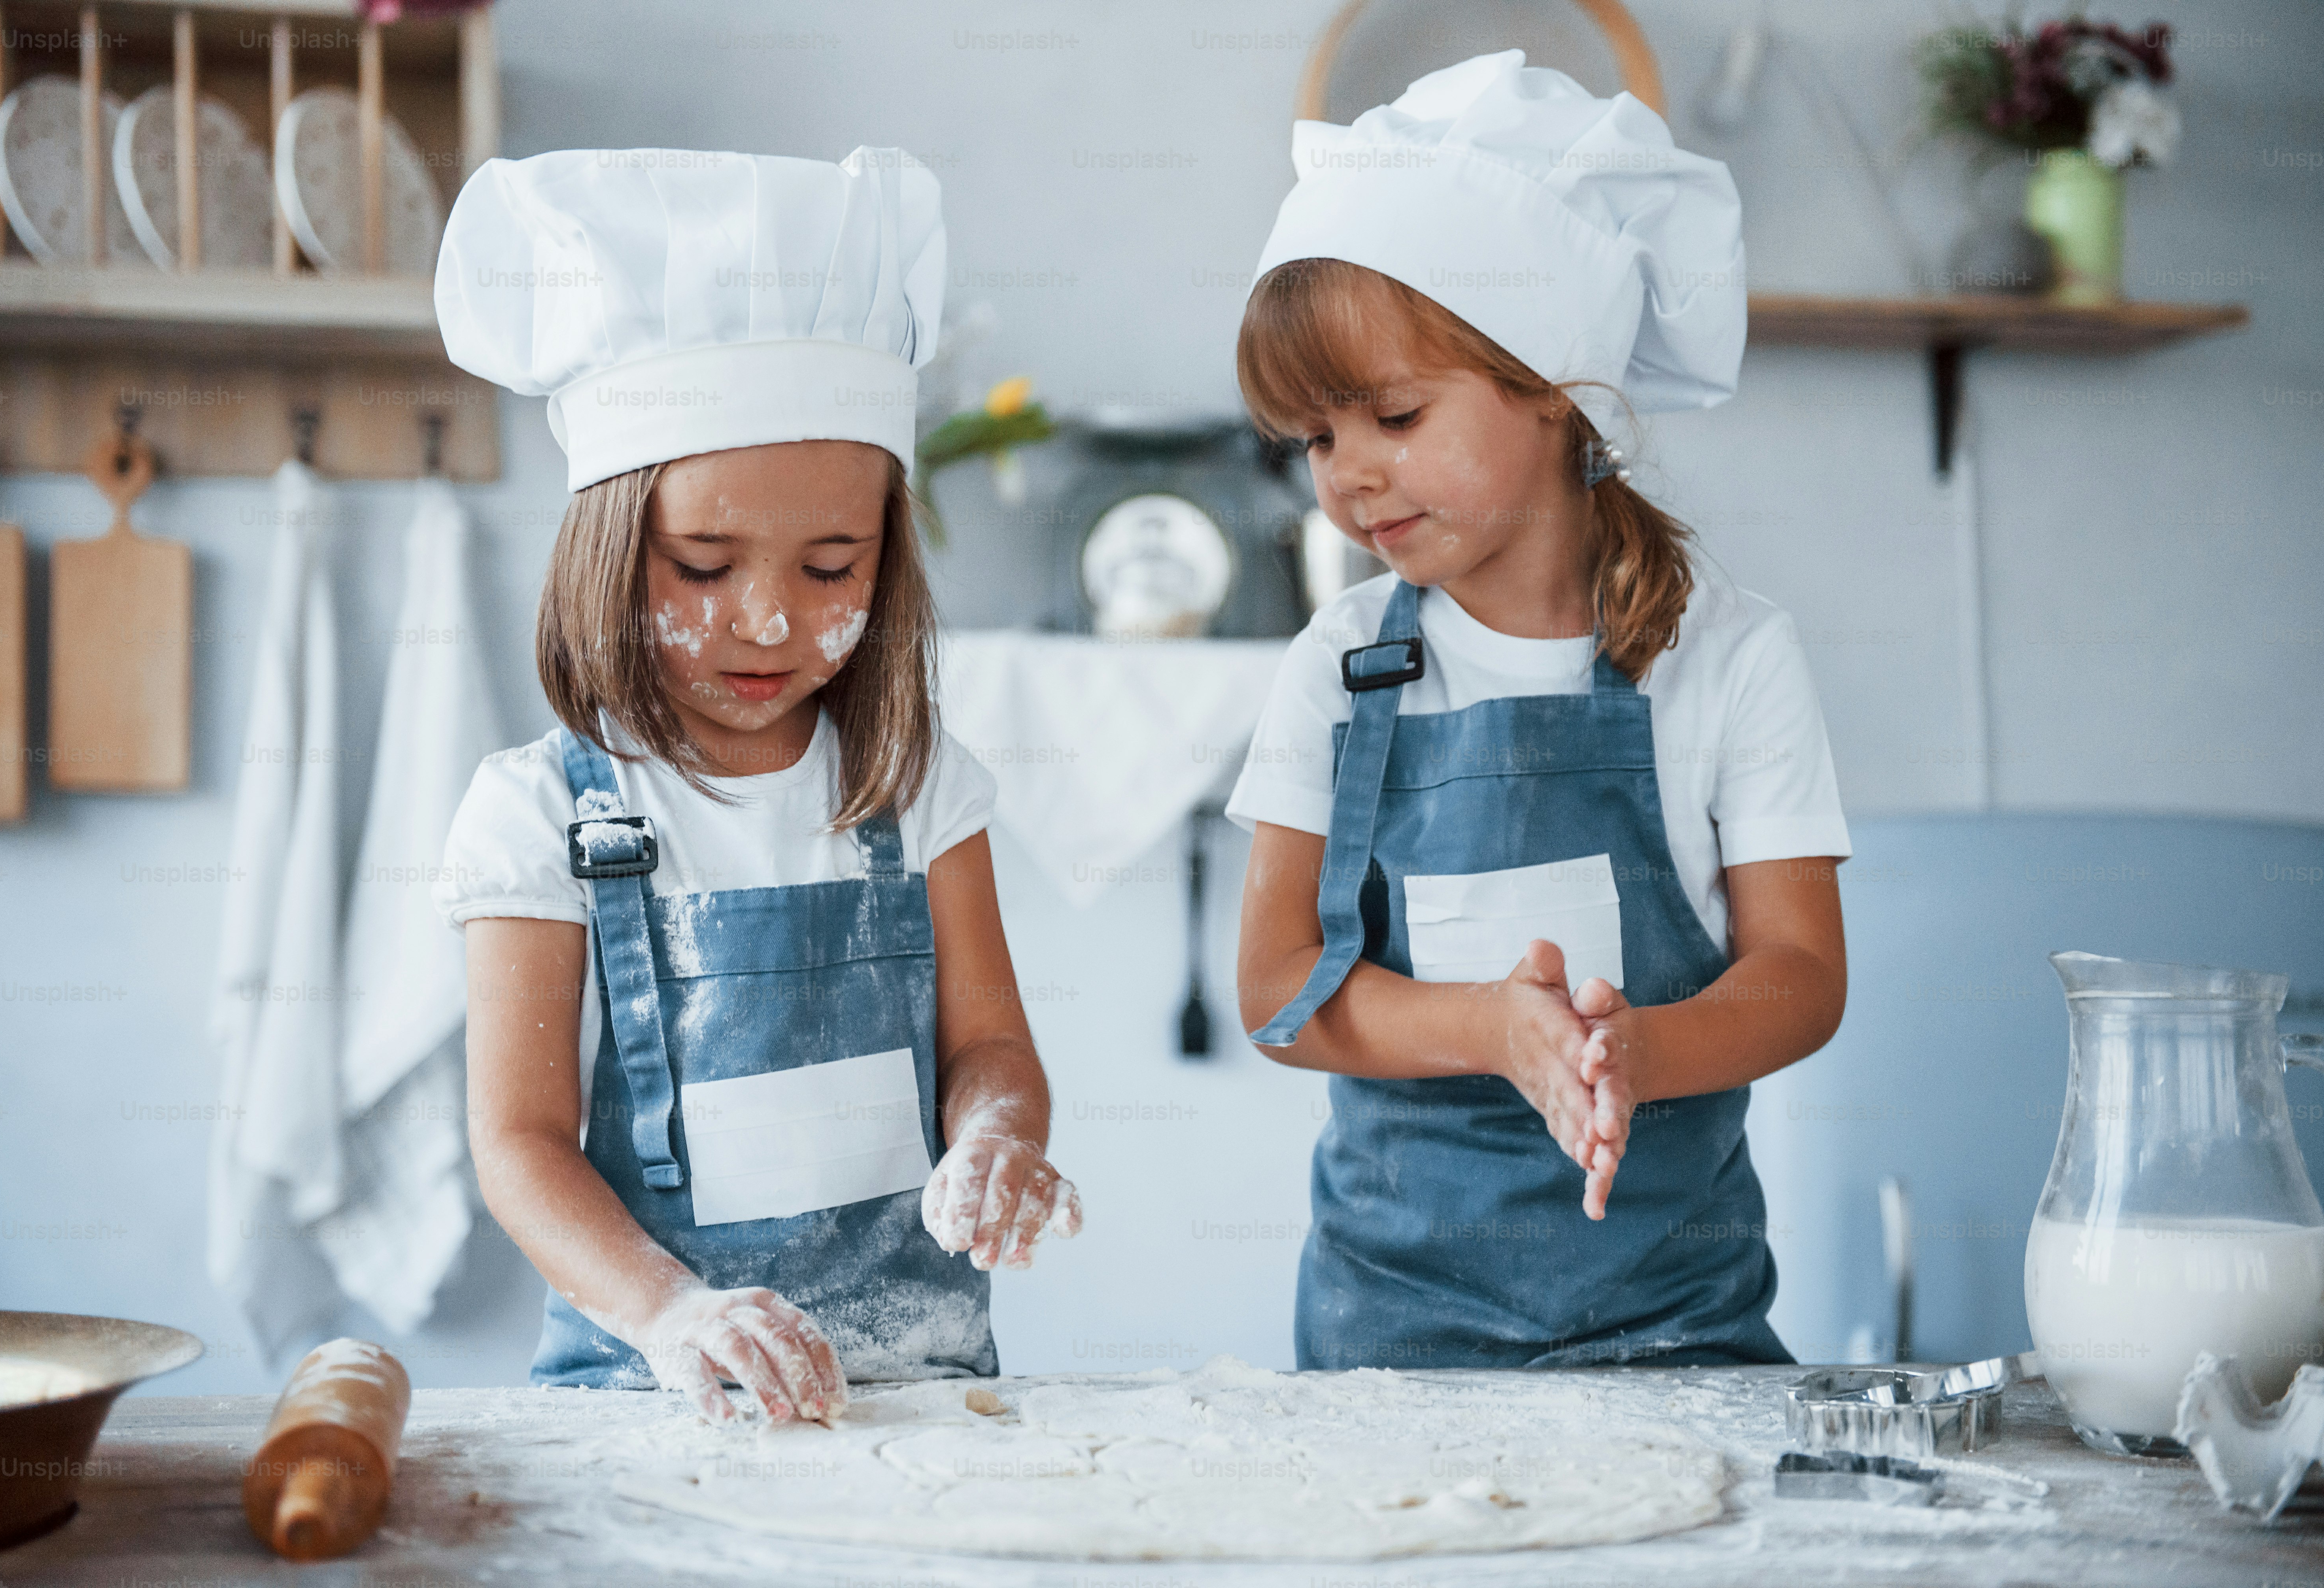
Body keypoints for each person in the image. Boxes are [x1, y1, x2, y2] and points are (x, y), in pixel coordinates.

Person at [429, 145, 1079, 1423]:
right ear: (614, 546)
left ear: (887, 562)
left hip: (923, 1399)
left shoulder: (919, 786)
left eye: (833, 567)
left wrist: (1001, 1134)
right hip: (650, 1398)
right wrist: (672, 1310)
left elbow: (992, 1048)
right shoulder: (542, 814)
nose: (771, 623)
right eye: (705, 564)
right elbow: (519, 1144)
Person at [1227, 55, 1850, 1372]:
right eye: (1316, 440)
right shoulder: (1336, 670)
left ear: (1550, 380)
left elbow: (1798, 979)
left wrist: (1630, 1053)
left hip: (1678, 1330)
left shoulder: (1728, 656)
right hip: (1391, 1340)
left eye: (1394, 414)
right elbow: (1278, 990)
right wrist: (1495, 1033)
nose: (1350, 477)